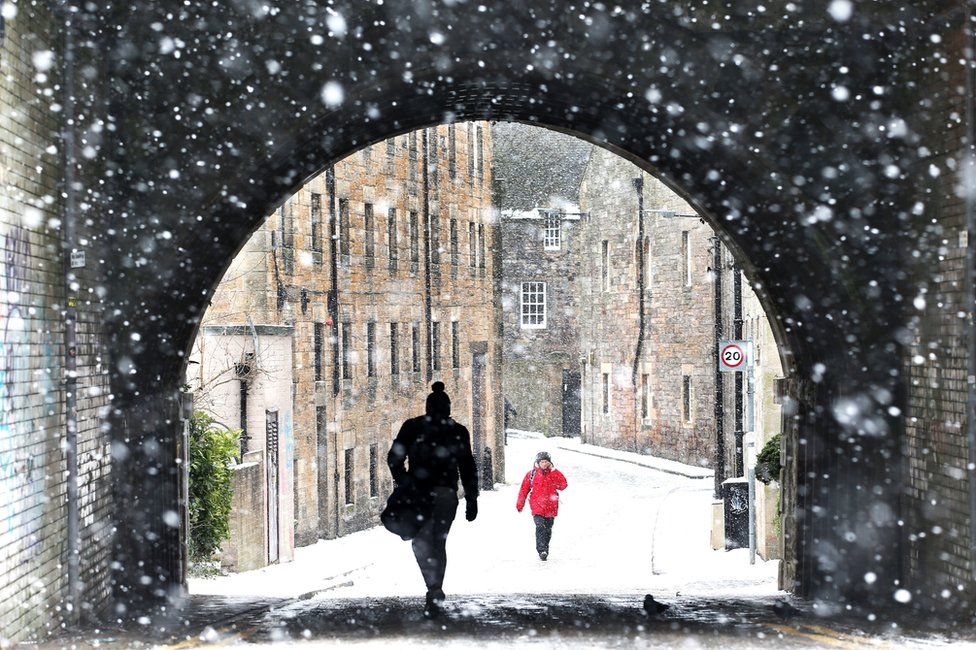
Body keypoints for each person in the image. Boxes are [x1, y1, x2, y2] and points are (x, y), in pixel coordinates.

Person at [387, 381, 478, 615]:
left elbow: (394, 458)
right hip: (446, 494)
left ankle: (433, 587)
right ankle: (435, 588)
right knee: (439, 541)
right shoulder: (458, 431)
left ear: (428, 407)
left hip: (419, 494)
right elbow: (467, 467)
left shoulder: (412, 427)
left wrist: (405, 481)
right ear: (448, 407)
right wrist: (471, 498)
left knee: (421, 541)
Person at [515, 451, 568, 561]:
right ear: (537, 462)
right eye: (542, 462)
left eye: (546, 462)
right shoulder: (531, 475)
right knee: (540, 527)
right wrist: (520, 504)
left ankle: (545, 549)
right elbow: (524, 490)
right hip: (537, 507)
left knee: (548, 529)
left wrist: (554, 471)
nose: (544, 464)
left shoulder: (553, 474)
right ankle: (541, 550)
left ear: (550, 463)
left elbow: (563, 485)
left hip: (551, 507)